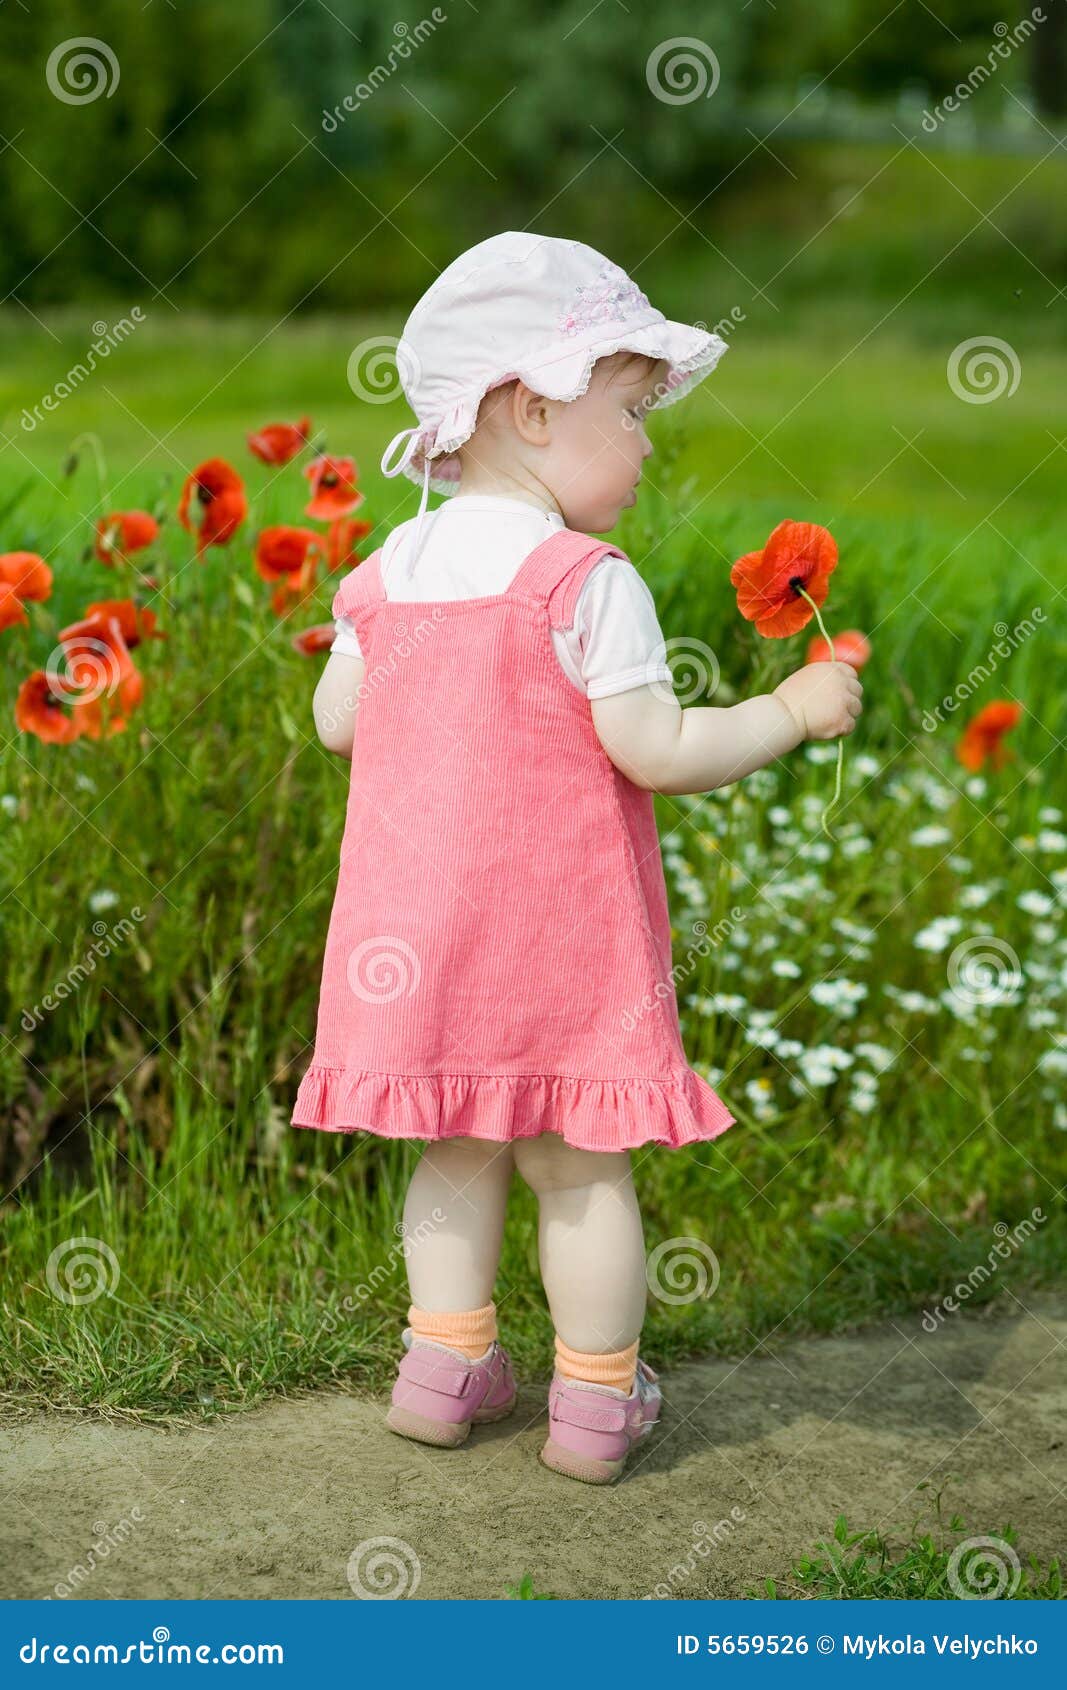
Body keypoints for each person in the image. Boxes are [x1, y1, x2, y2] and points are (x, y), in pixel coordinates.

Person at [291, 232, 863, 1484]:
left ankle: (442, 1372)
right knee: (575, 1165)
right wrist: (788, 711)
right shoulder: (581, 578)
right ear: (532, 411)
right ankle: (596, 1404)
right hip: (562, 951)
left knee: (452, 1150)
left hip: (415, 953)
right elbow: (652, 747)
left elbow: (339, 725)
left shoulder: (380, 573)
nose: (649, 441)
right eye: (631, 409)